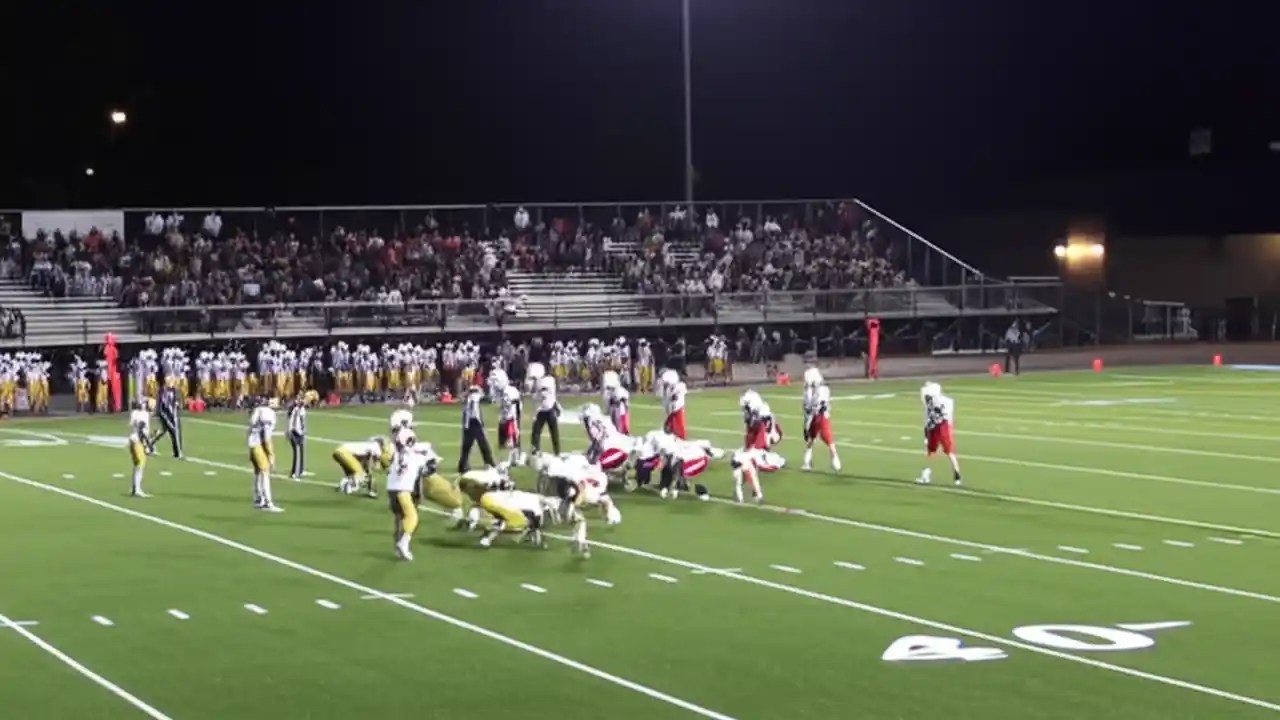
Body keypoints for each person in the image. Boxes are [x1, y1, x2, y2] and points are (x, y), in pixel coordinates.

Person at [149, 385, 184, 459]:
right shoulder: (163, 390)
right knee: (173, 431)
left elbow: (175, 402)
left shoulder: (173, 390)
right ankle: (177, 453)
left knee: (163, 430)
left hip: (169, 414)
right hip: (164, 414)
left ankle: (149, 443)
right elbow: (162, 404)